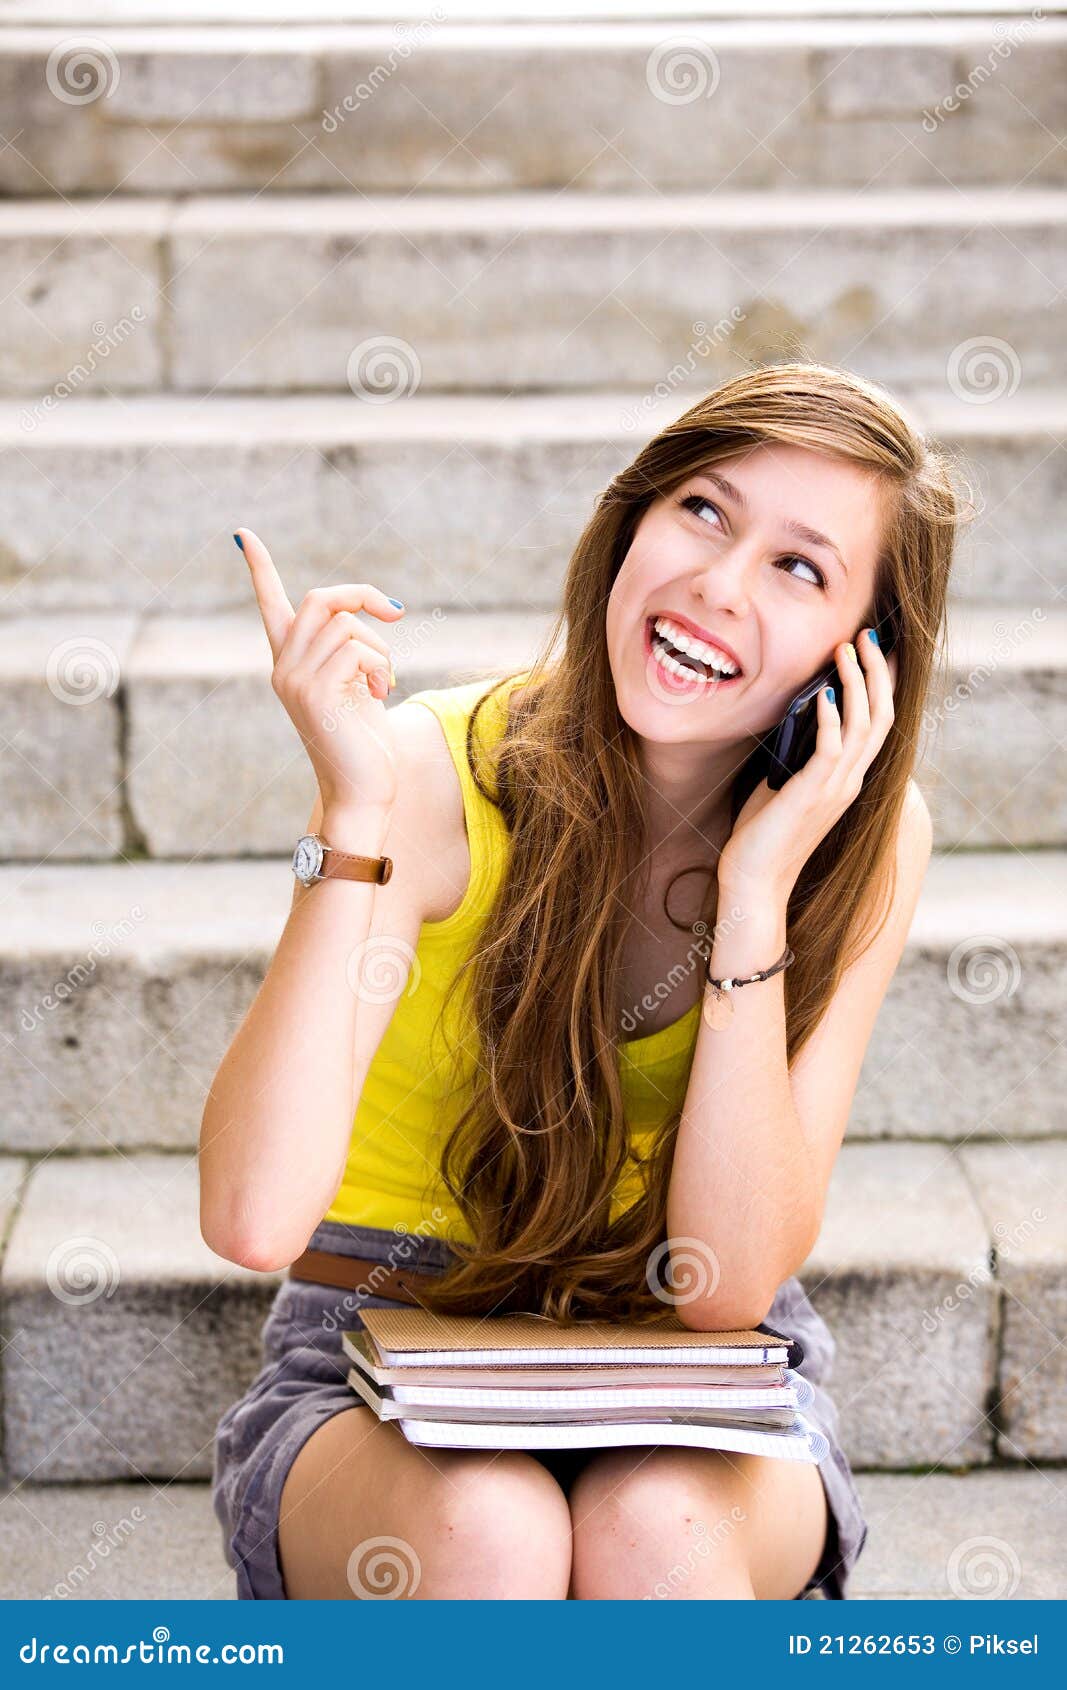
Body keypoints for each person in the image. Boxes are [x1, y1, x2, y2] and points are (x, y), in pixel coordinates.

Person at [205, 361, 958, 1600]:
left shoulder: (864, 839)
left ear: (857, 658)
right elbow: (250, 1216)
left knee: (660, 1532)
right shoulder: (419, 775)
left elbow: (719, 1287)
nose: (715, 584)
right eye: (702, 512)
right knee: (490, 1532)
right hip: (374, 1365)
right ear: (631, 521)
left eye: (798, 567)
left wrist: (755, 891)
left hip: (684, 1378)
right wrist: (351, 814)